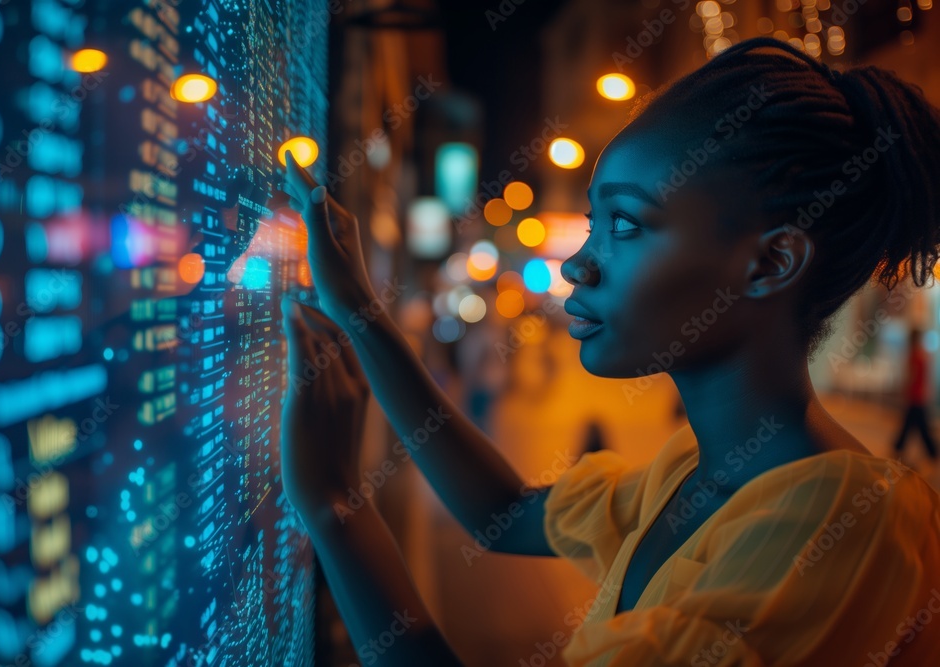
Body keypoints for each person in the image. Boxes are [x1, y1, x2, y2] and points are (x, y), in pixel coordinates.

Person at [277, 35, 940, 666]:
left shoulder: (838, 522)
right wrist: (361, 314)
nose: (577, 266)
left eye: (626, 224)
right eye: (594, 223)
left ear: (770, 262)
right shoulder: (693, 470)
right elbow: (504, 515)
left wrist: (337, 506)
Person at [891, 326, 940, 464]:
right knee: (913, 424)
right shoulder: (923, 354)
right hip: (920, 395)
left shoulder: (914, 354)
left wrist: (904, 389)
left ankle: (932, 451)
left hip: (915, 395)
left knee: (917, 425)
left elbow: (911, 376)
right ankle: (901, 447)